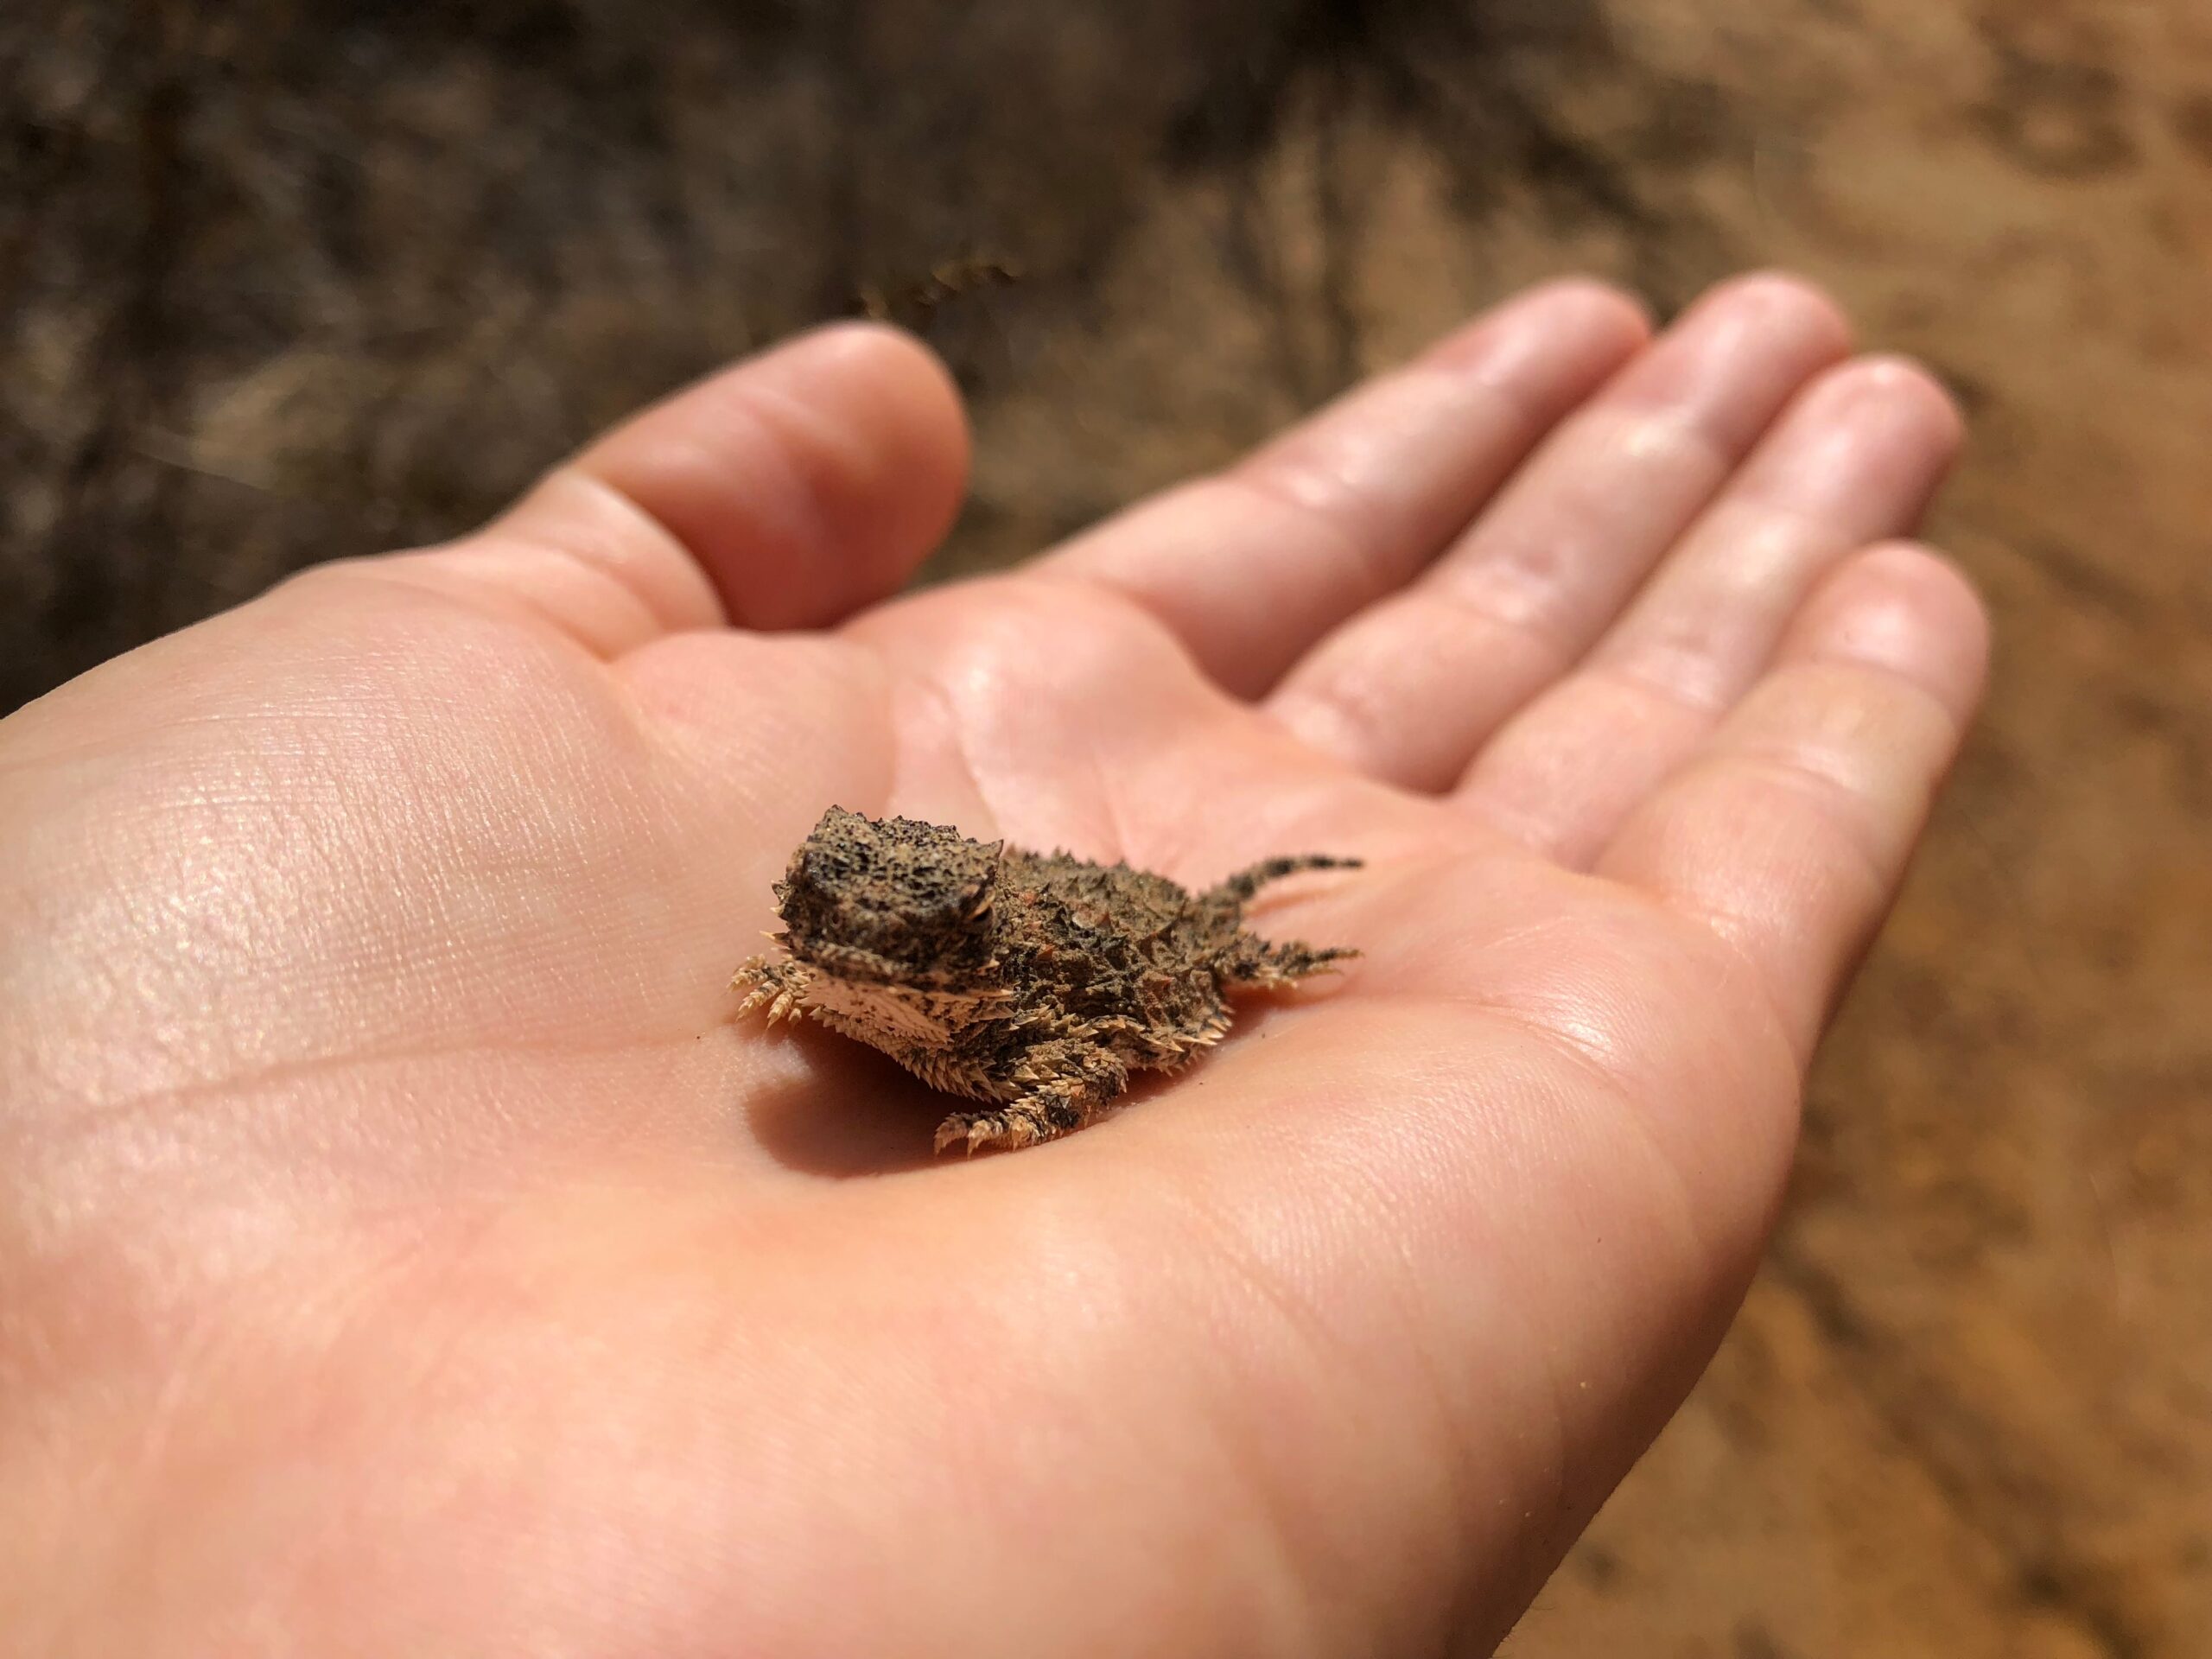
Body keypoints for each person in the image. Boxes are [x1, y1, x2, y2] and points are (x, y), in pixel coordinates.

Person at [0, 272, 1984, 1655]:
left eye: (871, 938)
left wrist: (1052, 1083)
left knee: (1219, 956)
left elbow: (1082, 1050)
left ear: (957, 949)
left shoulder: (1021, 993)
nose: (819, 951)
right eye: (816, 916)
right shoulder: (849, 942)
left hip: (1128, 944)